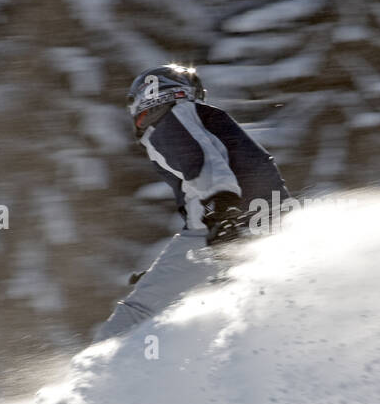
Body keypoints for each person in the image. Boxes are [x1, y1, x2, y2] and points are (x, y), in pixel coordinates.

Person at [92, 64, 290, 343]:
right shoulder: (196, 117)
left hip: (227, 224)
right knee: (235, 304)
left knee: (140, 310)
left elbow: (204, 161)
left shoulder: (174, 118)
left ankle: (97, 375)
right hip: (261, 220)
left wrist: (222, 214)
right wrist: (169, 272)